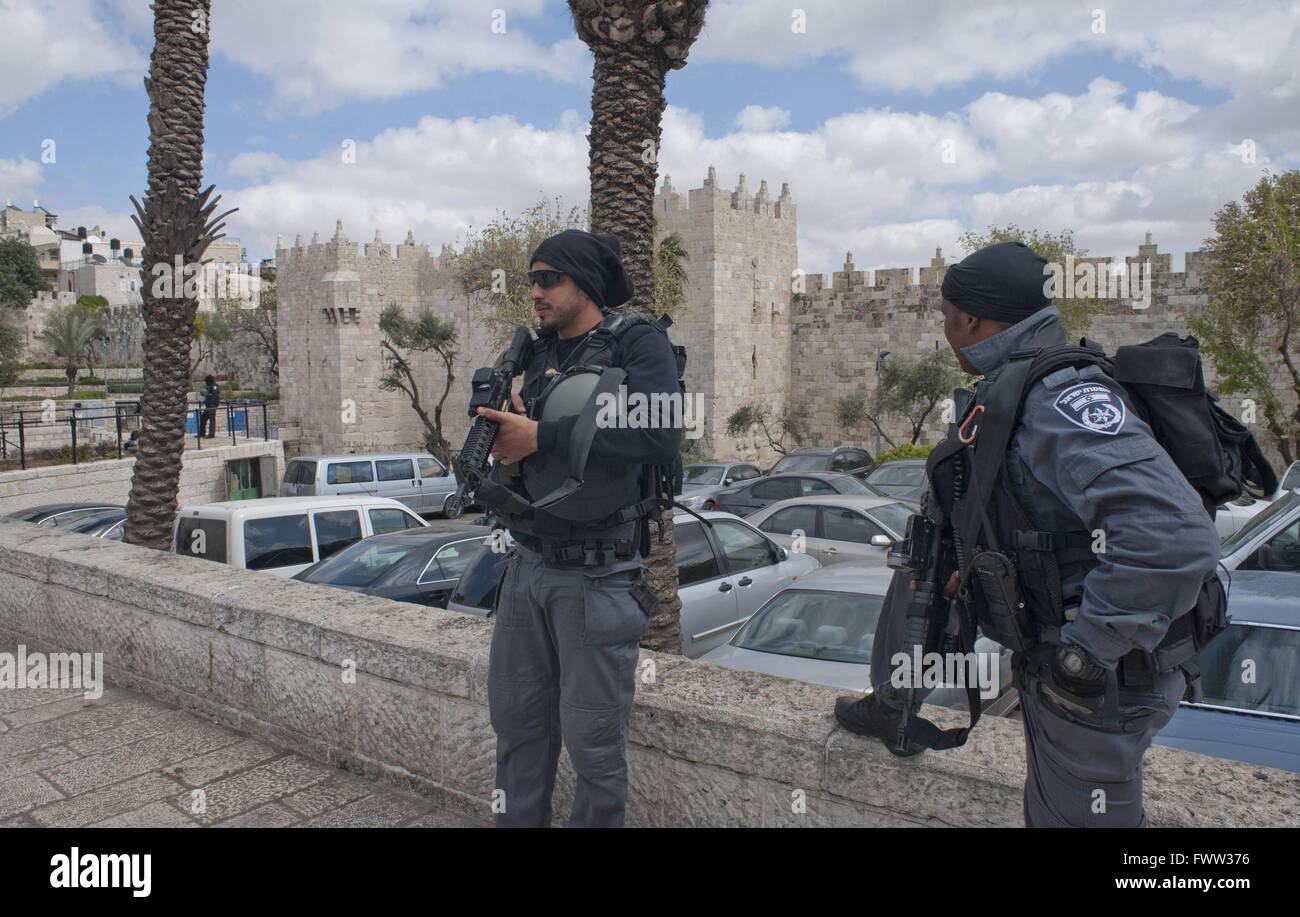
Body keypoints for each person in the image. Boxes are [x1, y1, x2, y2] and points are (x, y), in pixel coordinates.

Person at [834, 241, 1221, 828]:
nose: (945, 331)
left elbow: (1173, 536)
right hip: (1089, 680)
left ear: (968, 319)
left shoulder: (1060, 397)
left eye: (945, 317)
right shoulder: (1024, 384)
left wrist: (1084, 655)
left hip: (1103, 684)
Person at [475, 229, 682, 828]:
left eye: (549, 279)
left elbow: (659, 434)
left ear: (584, 282)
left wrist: (541, 435)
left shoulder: (638, 343)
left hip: (599, 579)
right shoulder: (538, 355)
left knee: (593, 749)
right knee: (517, 732)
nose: (535, 291)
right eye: (531, 280)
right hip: (527, 568)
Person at [200, 374, 220, 438]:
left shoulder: (214, 387)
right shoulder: (209, 387)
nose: (205, 383)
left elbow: (214, 396)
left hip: (212, 405)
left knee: (212, 419)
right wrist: (204, 402)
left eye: (206, 381)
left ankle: (211, 434)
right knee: (203, 418)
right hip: (208, 405)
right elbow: (208, 396)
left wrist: (214, 404)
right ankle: (202, 433)